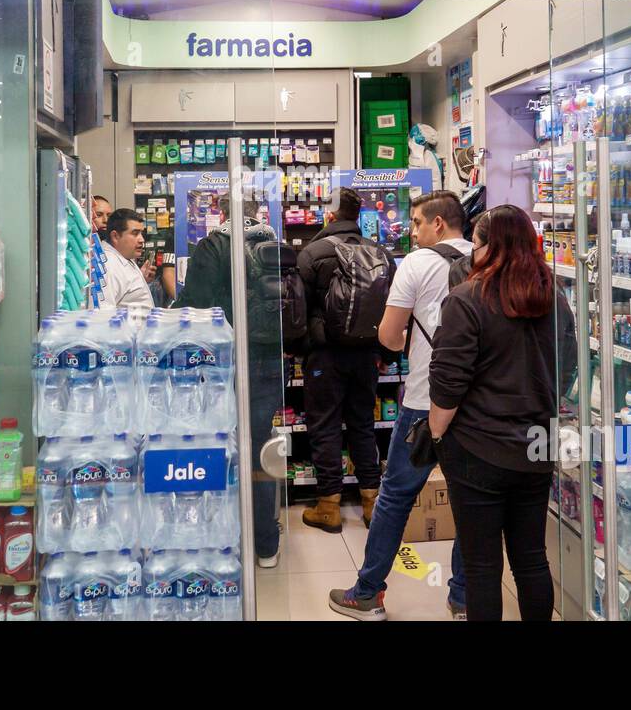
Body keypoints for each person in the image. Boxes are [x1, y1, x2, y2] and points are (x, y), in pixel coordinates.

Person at [328, 190, 471, 620]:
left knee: (395, 497)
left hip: (425, 400)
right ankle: (463, 599)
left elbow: (389, 336)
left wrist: (409, 341)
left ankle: (368, 593)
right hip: (473, 404)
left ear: (438, 223)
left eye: (417, 223)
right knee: (469, 501)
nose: (412, 231)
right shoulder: (484, 258)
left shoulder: (417, 262)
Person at [429, 205, 576, 621]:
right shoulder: (554, 301)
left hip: (478, 448)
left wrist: (437, 434)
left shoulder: (466, 299)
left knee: (482, 566)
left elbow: (448, 382)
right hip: (536, 446)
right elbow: (567, 367)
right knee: (531, 558)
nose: (471, 255)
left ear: (491, 248)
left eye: (476, 245)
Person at [175, 192, 290, 567]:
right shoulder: (276, 246)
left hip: (225, 362)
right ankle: (266, 545)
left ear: (220, 213)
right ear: (259, 213)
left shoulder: (213, 246)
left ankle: (223, 537)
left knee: (219, 445)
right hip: (271, 359)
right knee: (259, 447)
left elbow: (195, 304)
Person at [296, 187, 386, 534]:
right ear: (358, 215)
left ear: (330, 215)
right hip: (366, 353)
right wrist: (385, 354)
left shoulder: (313, 252)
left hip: (326, 355)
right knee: (363, 424)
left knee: (325, 426)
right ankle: (371, 502)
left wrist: (302, 348)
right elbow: (389, 306)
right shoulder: (378, 252)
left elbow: (298, 309)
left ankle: (329, 507)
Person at [100, 208, 154, 308]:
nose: (142, 239)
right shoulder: (108, 266)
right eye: (135, 233)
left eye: (141, 233)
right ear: (115, 236)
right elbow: (103, 313)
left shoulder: (123, 256)